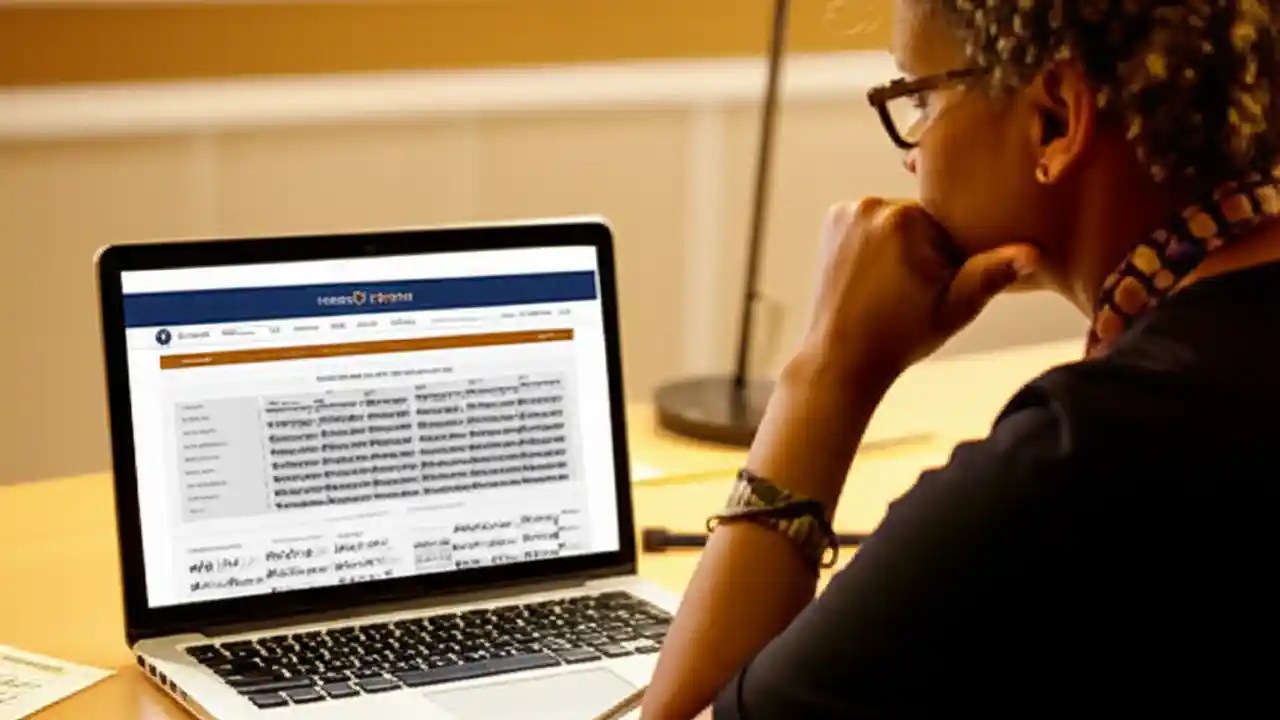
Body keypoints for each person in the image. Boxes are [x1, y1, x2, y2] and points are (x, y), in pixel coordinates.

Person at [642, 1, 1280, 717]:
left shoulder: (1080, 463)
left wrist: (829, 373)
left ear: (1055, 121)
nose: (912, 153)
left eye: (921, 96)